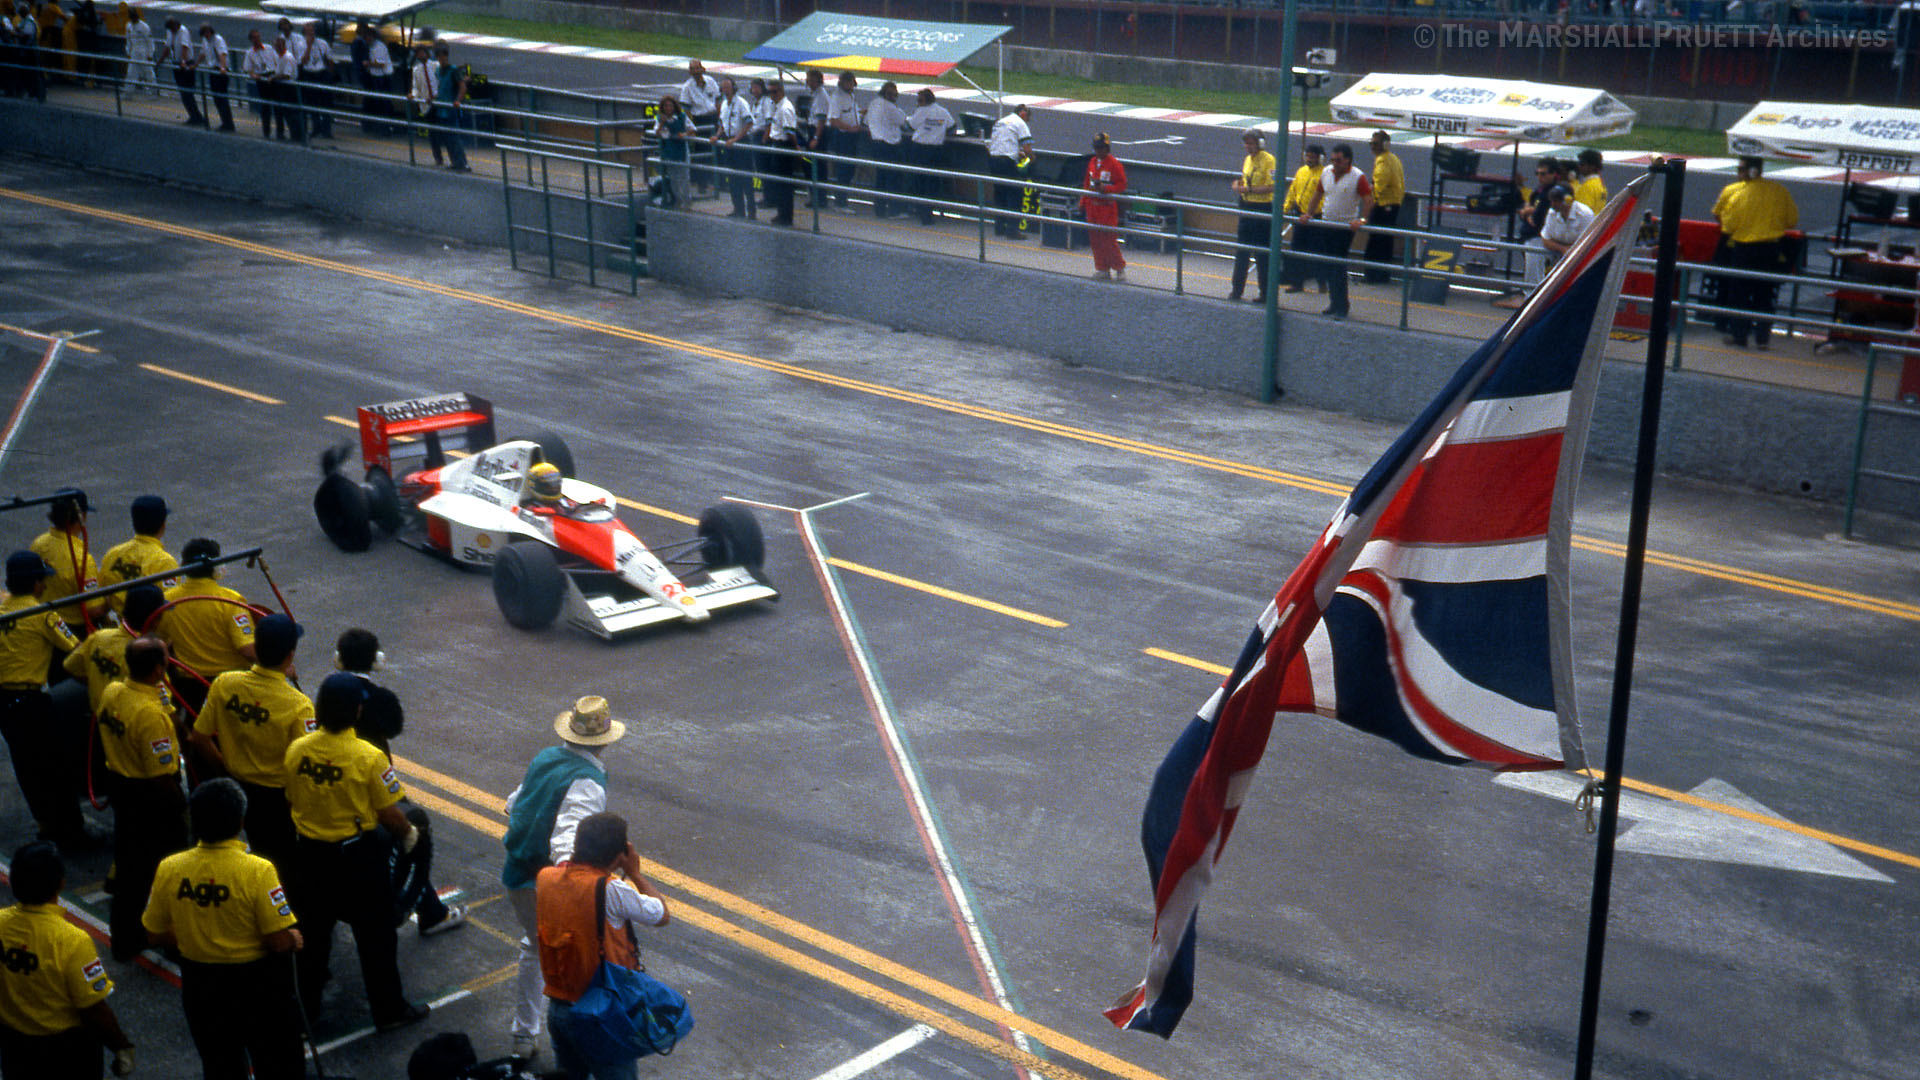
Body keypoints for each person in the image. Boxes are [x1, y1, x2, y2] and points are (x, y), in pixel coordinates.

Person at [281, 671, 428, 1032]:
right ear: (357, 712)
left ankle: (305, 1012)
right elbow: (390, 813)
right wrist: (411, 835)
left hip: (309, 857)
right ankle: (389, 1010)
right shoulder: (369, 756)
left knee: (312, 940)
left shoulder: (297, 748)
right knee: (376, 937)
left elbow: (290, 794)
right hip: (355, 860)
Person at [141, 778, 304, 1080]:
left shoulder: (170, 867)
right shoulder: (258, 870)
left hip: (201, 985)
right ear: (240, 821)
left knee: (220, 1065)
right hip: (256, 985)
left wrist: (195, 934)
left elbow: (153, 932)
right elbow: (278, 942)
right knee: (278, 1062)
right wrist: (293, 937)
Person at [500, 695, 626, 1064]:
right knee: (573, 959)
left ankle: (524, 1035)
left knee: (535, 946)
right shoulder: (589, 782)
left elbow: (515, 802)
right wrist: (574, 881)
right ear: (603, 740)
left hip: (516, 872)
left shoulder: (546, 758)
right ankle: (581, 1043)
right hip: (548, 883)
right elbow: (570, 836)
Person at [331, 627, 467, 936]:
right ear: (375, 660)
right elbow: (393, 729)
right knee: (412, 840)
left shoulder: (330, 689)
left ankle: (431, 909)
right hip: (376, 775)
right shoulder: (381, 698)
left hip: (339, 774)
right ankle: (428, 912)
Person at [535, 812, 669, 1080]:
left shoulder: (546, 878)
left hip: (559, 1011)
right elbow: (661, 914)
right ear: (620, 855)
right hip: (602, 1017)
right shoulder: (612, 890)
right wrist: (634, 873)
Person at [187, 613, 311, 872]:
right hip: (277, 801)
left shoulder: (225, 682)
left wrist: (225, 770)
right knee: (280, 865)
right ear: (289, 656)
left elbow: (198, 738)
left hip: (236, 786)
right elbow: (303, 767)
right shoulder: (298, 704)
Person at [0, 842, 135, 1079]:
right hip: (65, 1052)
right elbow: (93, 1008)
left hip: (15, 1045)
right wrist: (120, 1044)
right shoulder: (72, 940)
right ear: (61, 883)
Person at [96, 635, 188, 961]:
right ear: (158, 669)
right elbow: (161, 776)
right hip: (150, 797)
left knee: (129, 870)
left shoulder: (113, 691)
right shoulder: (149, 715)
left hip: (120, 786)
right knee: (164, 871)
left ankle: (125, 941)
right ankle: (169, 940)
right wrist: (183, 809)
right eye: (167, 658)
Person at [0, 551, 87, 849]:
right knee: (56, 768)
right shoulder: (43, 615)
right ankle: (73, 834)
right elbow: (79, 651)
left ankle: (45, 824)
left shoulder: (3, 610)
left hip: (5, 704)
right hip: (31, 703)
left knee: (27, 767)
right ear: (37, 583)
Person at [156, 538, 256, 719]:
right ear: (216, 567)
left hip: (190, 687)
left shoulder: (168, 600)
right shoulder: (231, 600)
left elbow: (159, 639)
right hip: (231, 686)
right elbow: (247, 649)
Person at [1713, 155, 1798, 350]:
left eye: (1741, 169)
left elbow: (1728, 226)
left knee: (1739, 295)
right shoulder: (1780, 191)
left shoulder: (1736, 193)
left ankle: (1739, 336)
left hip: (1743, 249)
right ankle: (1762, 338)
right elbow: (1792, 220)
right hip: (1770, 250)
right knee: (1765, 295)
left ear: (1750, 171)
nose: (1738, 173)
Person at [1301, 143, 1371, 319]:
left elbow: (1368, 200)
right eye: (1333, 160)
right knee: (1329, 265)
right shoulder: (1326, 173)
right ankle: (1334, 302)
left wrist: (1361, 219)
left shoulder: (1357, 176)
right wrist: (1308, 213)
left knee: (1338, 265)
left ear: (1348, 160)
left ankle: (1342, 306)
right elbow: (1317, 195)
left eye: (1339, 160)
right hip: (1327, 223)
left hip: (1345, 227)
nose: (1335, 164)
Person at [29, 487, 102, 636]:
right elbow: (93, 611)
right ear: (82, 516)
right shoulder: (83, 560)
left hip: (41, 623)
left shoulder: (38, 544)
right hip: (72, 631)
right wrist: (112, 598)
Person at [99, 496, 176, 611]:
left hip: (122, 623)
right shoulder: (165, 563)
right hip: (150, 626)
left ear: (134, 522)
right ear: (163, 524)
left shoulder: (112, 554)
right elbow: (170, 609)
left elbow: (101, 594)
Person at [1228, 129, 1275, 303]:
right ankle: (1236, 290)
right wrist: (1238, 185)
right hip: (1246, 206)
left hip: (1262, 208)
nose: (1248, 146)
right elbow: (1245, 180)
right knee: (1242, 251)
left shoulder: (1269, 160)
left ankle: (1265, 293)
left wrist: (1249, 190)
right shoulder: (1247, 160)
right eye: (1246, 143)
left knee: (1262, 254)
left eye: (1252, 143)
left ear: (1260, 143)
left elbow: (1273, 186)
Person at [1082, 132, 1128, 283]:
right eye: (1096, 148)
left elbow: (1122, 185)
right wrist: (1083, 201)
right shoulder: (1092, 162)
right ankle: (1102, 268)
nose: (1098, 151)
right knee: (1095, 240)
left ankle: (1119, 268)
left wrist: (1106, 189)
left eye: (1101, 148)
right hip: (1092, 207)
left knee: (1109, 240)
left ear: (1107, 148)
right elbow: (1087, 184)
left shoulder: (1114, 164)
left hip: (1107, 209)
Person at [1279, 143, 1323, 293]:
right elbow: (1293, 191)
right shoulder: (1301, 171)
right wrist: (1285, 208)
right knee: (1296, 249)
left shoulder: (1324, 173)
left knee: (1315, 251)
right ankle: (1297, 283)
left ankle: (1322, 282)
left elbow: (1324, 196)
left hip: (1316, 217)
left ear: (1320, 158)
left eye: (1313, 156)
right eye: (1307, 156)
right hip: (1300, 215)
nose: (1309, 159)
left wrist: (1313, 214)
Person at [905, 88, 953, 225]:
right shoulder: (943, 111)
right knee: (932, 183)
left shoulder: (921, 111)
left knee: (918, 182)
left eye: (919, 100)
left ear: (926, 100)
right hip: (936, 149)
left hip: (920, 149)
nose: (918, 103)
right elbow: (952, 127)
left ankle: (921, 212)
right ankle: (928, 212)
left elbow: (911, 125)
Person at [1362, 130, 1404, 283]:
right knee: (1385, 242)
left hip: (1384, 206)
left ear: (1385, 145)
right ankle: (1382, 276)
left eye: (1376, 144)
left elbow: (1378, 186)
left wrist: (1367, 208)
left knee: (1375, 242)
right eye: (1371, 143)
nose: (1372, 146)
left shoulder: (1383, 161)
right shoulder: (1393, 158)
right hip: (1393, 206)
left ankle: (1373, 276)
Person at [986, 103, 1032, 238]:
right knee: (1015, 194)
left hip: (993, 159)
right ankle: (1012, 230)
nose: (1027, 121)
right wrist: (1032, 158)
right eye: (1027, 118)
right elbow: (1027, 148)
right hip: (1006, 162)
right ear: (1023, 113)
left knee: (1000, 194)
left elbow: (1003, 143)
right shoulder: (1019, 123)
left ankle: (999, 227)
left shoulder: (1000, 122)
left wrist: (1017, 153)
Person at [865, 80, 908, 219]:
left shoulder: (873, 103)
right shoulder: (891, 107)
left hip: (875, 144)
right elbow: (902, 121)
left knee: (880, 178)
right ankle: (894, 211)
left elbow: (866, 121)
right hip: (889, 145)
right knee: (893, 180)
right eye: (892, 94)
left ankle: (879, 210)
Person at [714, 76, 754, 219]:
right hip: (729, 143)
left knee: (746, 179)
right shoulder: (724, 104)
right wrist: (717, 136)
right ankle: (738, 209)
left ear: (733, 88)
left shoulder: (741, 103)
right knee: (733, 179)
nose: (726, 90)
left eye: (728, 87)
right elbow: (722, 123)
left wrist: (736, 139)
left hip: (742, 143)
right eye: (723, 88)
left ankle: (751, 212)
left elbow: (749, 123)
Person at [762, 79, 798, 227]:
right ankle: (781, 213)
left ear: (781, 91)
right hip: (776, 145)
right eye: (769, 92)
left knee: (785, 185)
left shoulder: (785, 108)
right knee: (779, 184)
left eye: (774, 92)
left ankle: (786, 216)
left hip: (784, 147)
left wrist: (796, 149)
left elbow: (790, 132)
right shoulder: (776, 106)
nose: (772, 95)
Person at [824, 71, 861, 211]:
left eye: (851, 82)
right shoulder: (837, 97)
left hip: (852, 137)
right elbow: (834, 120)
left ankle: (842, 199)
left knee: (849, 170)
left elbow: (850, 112)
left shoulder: (850, 95)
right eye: (847, 82)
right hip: (843, 137)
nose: (850, 84)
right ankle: (840, 202)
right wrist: (850, 129)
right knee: (843, 170)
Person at [430, 41, 468, 172]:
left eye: (443, 56)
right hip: (441, 108)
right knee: (447, 138)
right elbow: (439, 88)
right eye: (439, 56)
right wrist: (433, 98)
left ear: (447, 56)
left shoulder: (453, 70)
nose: (441, 58)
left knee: (454, 137)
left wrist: (458, 100)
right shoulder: (438, 70)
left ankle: (462, 163)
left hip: (451, 109)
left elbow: (462, 86)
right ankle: (454, 162)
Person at [354, 20, 393, 133]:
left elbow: (381, 64)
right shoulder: (368, 46)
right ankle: (376, 127)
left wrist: (368, 64)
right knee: (376, 102)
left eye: (368, 37)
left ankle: (385, 128)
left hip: (383, 77)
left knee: (383, 103)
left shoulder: (379, 46)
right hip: (375, 77)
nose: (366, 39)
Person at [295, 21, 331, 137]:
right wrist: (309, 46)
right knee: (312, 104)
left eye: (313, 30)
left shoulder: (323, 43)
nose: (312, 32)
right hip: (309, 73)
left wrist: (329, 73)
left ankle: (327, 130)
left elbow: (329, 59)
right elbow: (303, 61)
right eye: (309, 30)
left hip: (321, 74)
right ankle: (316, 128)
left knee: (325, 103)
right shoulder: (301, 44)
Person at [652, 94, 688, 208]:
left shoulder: (682, 116)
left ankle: (687, 201)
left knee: (684, 177)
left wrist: (684, 134)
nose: (669, 108)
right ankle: (678, 200)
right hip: (668, 151)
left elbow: (692, 130)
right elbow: (657, 133)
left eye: (671, 106)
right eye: (666, 106)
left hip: (681, 150)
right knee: (673, 178)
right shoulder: (658, 119)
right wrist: (662, 122)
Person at [164, 16, 202, 124]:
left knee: (187, 92)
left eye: (172, 28)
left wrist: (183, 62)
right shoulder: (170, 32)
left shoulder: (183, 31)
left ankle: (196, 117)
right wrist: (160, 61)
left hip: (186, 64)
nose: (171, 30)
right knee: (183, 92)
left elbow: (184, 47)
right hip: (176, 63)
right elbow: (167, 47)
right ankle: (194, 115)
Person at [196, 22, 232, 131]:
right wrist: (195, 64)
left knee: (222, 98)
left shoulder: (218, 39)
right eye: (204, 33)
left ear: (210, 31)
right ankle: (225, 122)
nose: (206, 35)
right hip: (213, 71)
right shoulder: (205, 41)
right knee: (217, 99)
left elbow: (222, 54)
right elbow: (202, 53)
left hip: (220, 71)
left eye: (207, 32)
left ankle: (228, 124)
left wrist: (222, 67)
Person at [266, 30, 299, 140]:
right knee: (281, 112)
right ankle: (282, 133)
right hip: (281, 88)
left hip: (289, 88)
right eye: (276, 46)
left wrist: (274, 77)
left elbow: (286, 75)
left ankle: (296, 135)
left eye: (278, 46)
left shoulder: (287, 57)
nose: (277, 48)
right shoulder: (280, 57)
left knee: (290, 113)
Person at [802, 68, 828, 209]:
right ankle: (814, 196)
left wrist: (816, 137)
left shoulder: (821, 96)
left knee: (817, 166)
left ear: (818, 80)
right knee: (808, 163)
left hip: (818, 134)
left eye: (812, 79)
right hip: (811, 130)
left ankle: (820, 198)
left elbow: (822, 120)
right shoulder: (814, 94)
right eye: (808, 79)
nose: (809, 82)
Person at [407, 40, 436, 162]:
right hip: (426, 103)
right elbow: (415, 87)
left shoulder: (435, 65)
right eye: (418, 53)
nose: (420, 55)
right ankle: (437, 158)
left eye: (422, 52)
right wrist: (412, 95)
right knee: (433, 134)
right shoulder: (416, 70)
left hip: (437, 101)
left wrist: (436, 96)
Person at [241, 28, 273, 136]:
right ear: (251, 40)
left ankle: (280, 131)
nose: (257, 39)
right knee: (265, 106)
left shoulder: (268, 48)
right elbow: (247, 68)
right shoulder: (249, 53)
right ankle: (266, 131)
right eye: (254, 38)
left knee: (279, 105)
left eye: (258, 37)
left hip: (272, 76)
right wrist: (254, 75)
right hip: (261, 78)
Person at [122, 4, 153, 95]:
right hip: (134, 53)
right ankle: (128, 92)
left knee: (149, 73)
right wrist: (128, 51)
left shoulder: (144, 27)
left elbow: (150, 41)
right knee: (131, 73)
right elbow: (128, 40)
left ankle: (153, 91)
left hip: (144, 52)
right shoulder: (128, 26)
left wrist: (150, 54)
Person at [1573, 148, 1608, 212]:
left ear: (1592, 166)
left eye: (1582, 164)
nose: (1579, 166)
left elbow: (1582, 213)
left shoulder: (1587, 186)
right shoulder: (1600, 184)